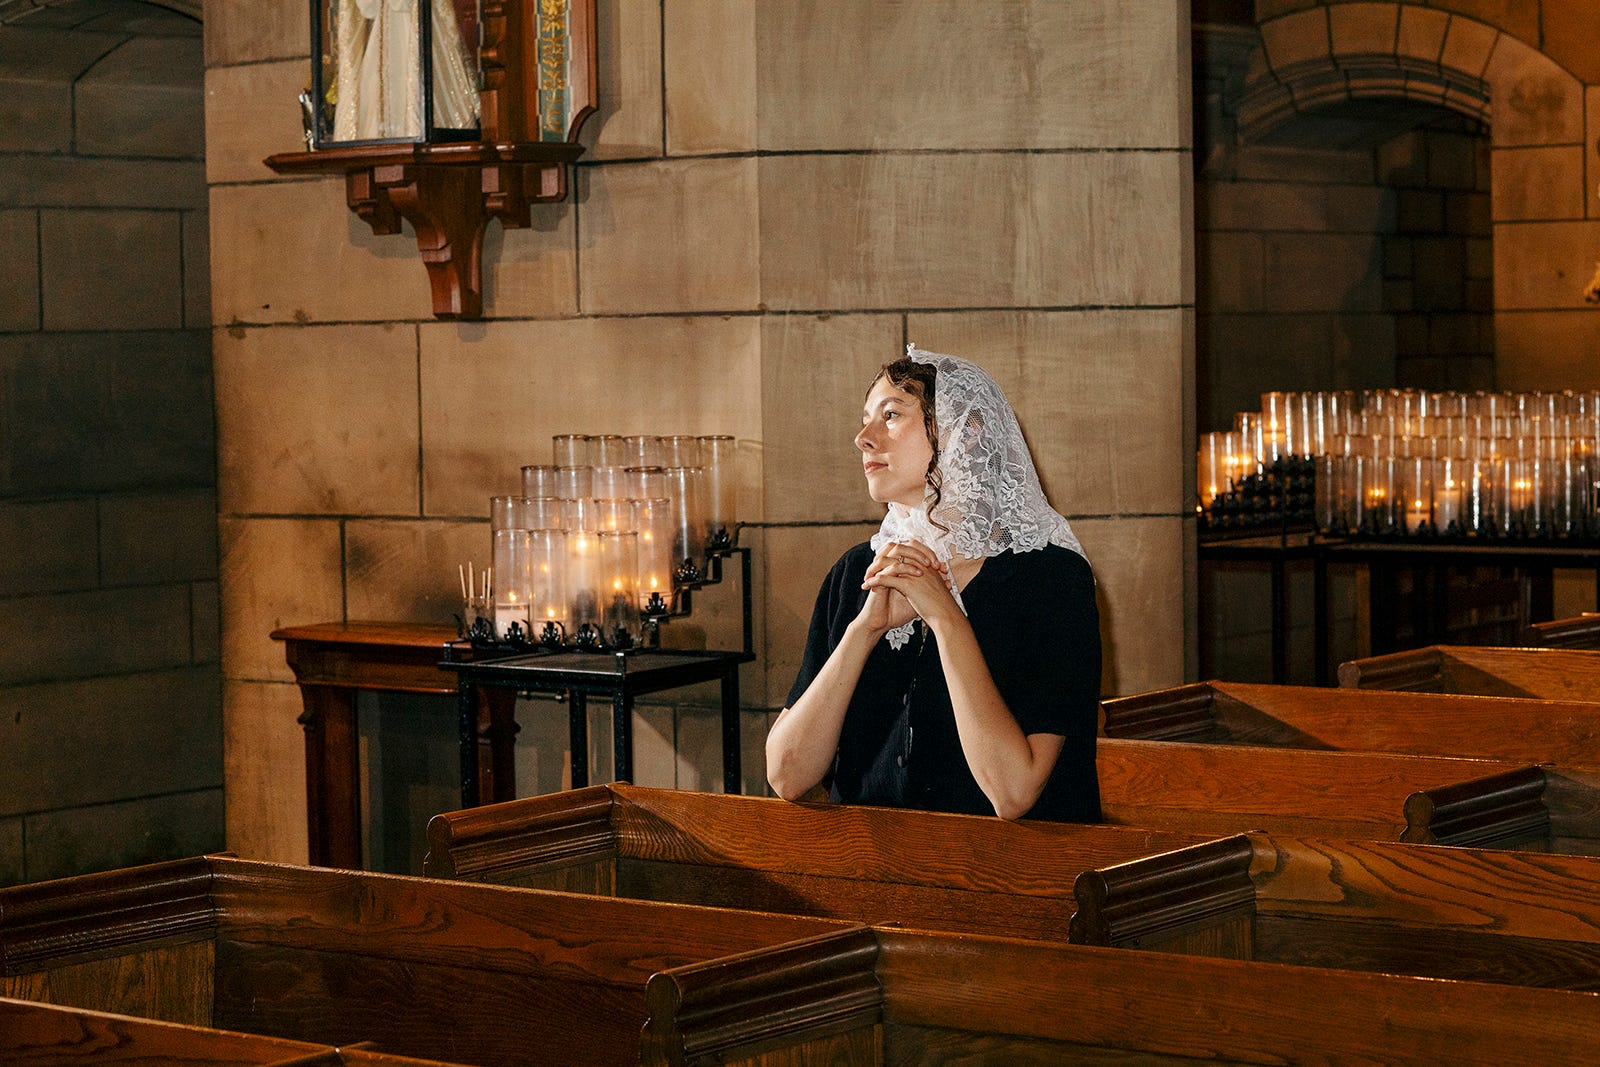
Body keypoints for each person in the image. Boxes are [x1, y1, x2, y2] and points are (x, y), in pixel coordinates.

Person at [766, 345, 1101, 822]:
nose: (863, 437)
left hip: (1016, 881)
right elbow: (787, 776)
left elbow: (1013, 793)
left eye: (891, 416)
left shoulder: (1051, 579)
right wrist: (865, 631)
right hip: (864, 876)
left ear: (965, 434)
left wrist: (945, 616)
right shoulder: (854, 574)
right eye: (866, 418)